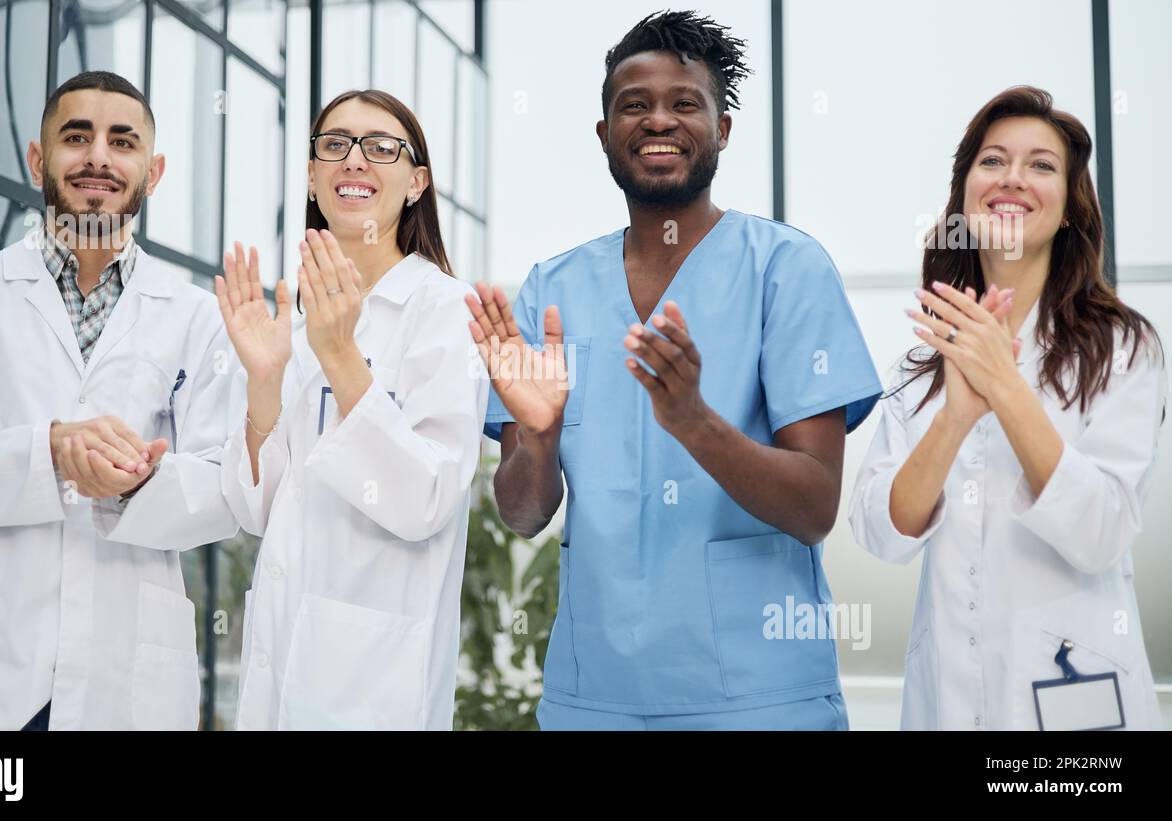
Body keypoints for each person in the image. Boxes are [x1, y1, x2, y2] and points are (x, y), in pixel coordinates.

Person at [467, 11, 880, 730]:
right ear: (605, 134)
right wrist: (540, 436)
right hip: (593, 698)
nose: (658, 119)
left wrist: (693, 422)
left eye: (685, 102)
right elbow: (524, 513)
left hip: (759, 697)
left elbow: (815, 507)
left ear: (723, 129)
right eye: (635, 104)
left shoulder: (787, 270)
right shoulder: (551, 290)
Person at [0, 71, 240, 730]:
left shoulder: (199, 318)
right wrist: (48, 451)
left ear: (153, 172)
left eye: (122, 142)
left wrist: (137, 484)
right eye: (77, 137)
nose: (99, 157)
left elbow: (225, 490)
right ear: (38, 160)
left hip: (126, 683)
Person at [849, 86, 1166, 730]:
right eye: (992, 161)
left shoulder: (1121, 347)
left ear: (1071, 209)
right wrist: (955, 417)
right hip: (947, 699)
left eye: (1041, 165)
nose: (1013, 178)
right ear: (964, 196)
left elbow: (1101, 531)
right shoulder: (924, 362)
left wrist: (1005, 387)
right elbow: (882, 532)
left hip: (1076, 702)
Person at [218, 89, 487, 730]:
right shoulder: (292, 318)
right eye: (335, 145)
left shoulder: (445, 310)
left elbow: (426, 498)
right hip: (279, 664)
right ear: (313, 177)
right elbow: (255, 512)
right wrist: (264, 383)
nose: (355, 160)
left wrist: (340, 356)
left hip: (375, 685)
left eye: (382, 147)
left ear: (416, 183)